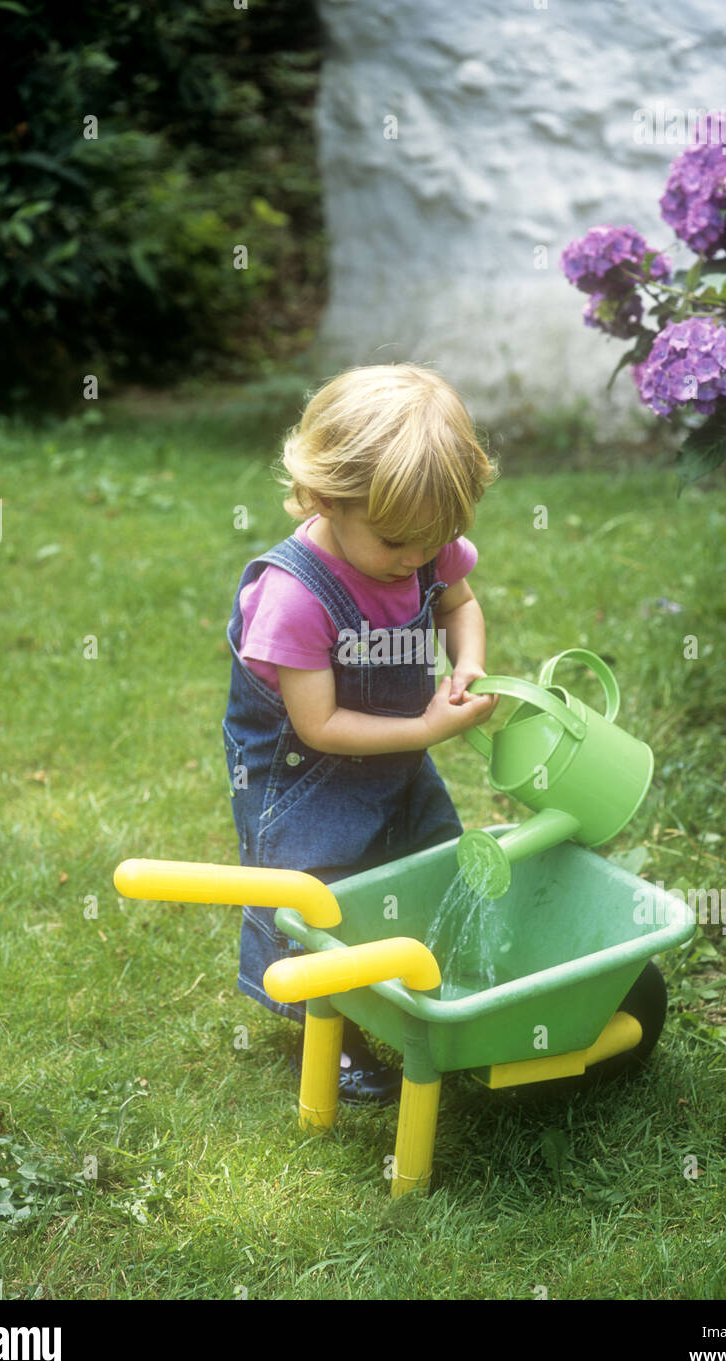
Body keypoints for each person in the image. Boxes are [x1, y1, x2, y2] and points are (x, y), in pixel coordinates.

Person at [222, 364, 497, 1102]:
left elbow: (459, 605)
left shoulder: (421, 538)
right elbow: (319, 725)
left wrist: (467, 665)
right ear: (324, 499)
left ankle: (440, 987)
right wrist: (427, 728)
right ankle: (326, 1028)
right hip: (305, 775)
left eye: (436, 539)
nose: (418, 559)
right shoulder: (295, 599)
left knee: (434, 853)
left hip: (396, 751)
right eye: (398, 543)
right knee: (317, 895)